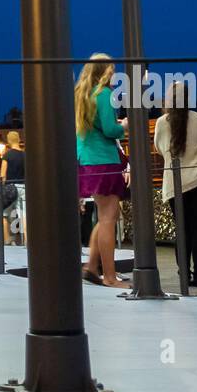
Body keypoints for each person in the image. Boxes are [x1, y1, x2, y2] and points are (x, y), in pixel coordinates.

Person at [75, 54, 130, 288]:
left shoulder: (83, 95)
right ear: (105, 70)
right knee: (108, 219)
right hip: (105, 161)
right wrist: (124, 126)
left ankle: (91, 267)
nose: (115, 74)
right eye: (113, 69)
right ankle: (109, 276)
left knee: (104, 216)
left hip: (88, 160)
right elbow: (110, 130)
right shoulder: (104, 94)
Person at [154, 83, 197, 288]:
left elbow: (160, 149)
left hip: (175, 183)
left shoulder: (162, 122)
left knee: (182, 230)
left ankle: (184, 274)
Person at [0, 130, 25, 245]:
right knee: (23, 215)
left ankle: (8, 241)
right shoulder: (25, 155)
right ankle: (26, 242)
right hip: (23, 187)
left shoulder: (7, 155)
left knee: (5, 214)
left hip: (10, 187)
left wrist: (0, 188)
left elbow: (3, 175)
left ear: (9, 141)